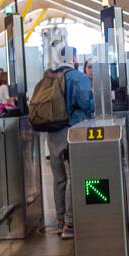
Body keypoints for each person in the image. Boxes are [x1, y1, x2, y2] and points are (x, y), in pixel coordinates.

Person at [45, 45, 93, 239]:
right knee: (75, 176)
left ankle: (59, 221)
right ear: (73, 58)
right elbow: (85, 104)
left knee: (58, 178)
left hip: (52, 133)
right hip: (72, 131)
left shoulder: (49, 77)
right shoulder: (78, 77)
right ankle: (70, 223)